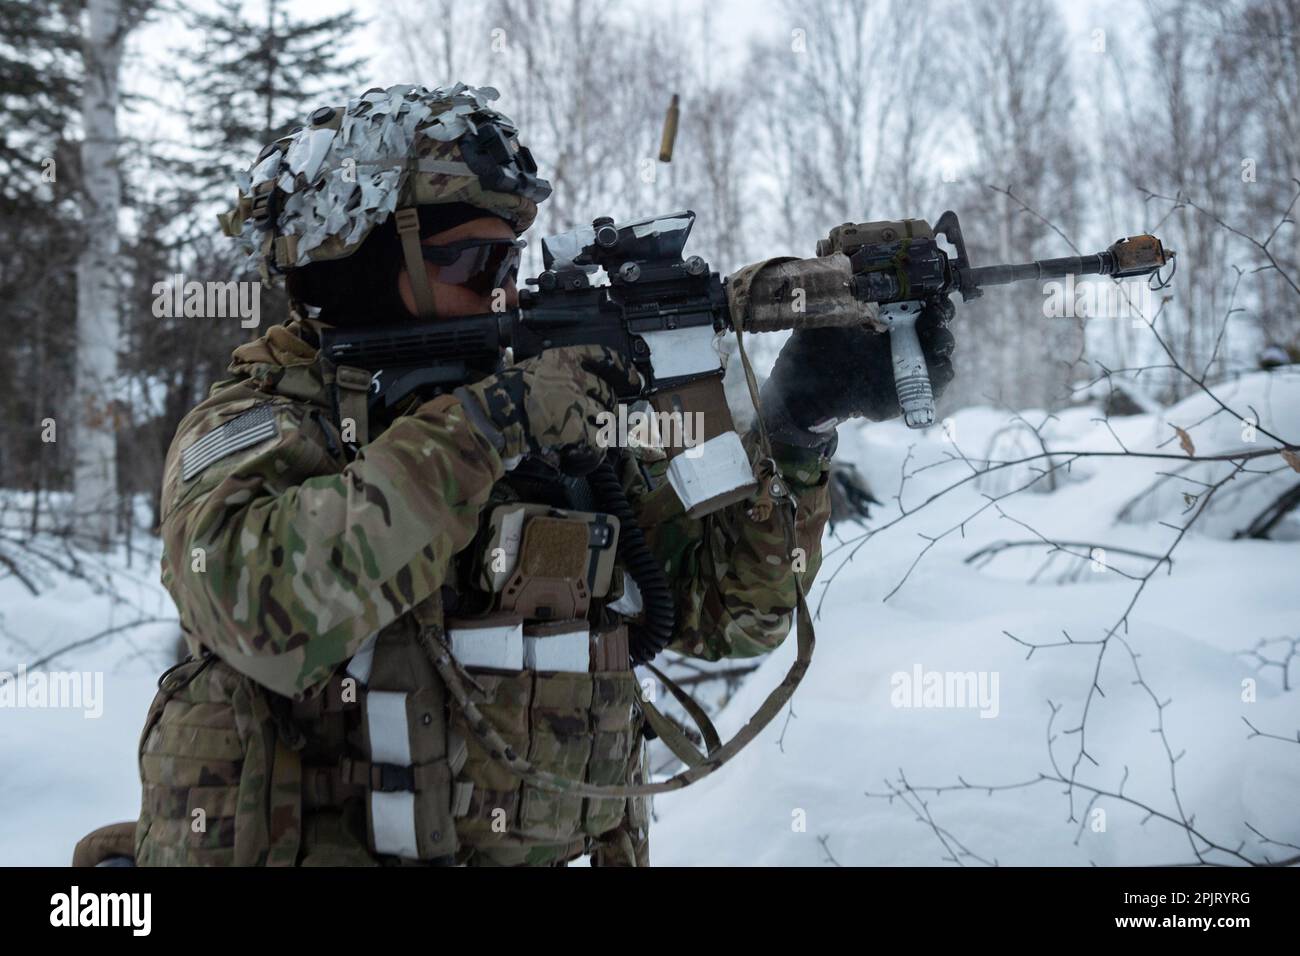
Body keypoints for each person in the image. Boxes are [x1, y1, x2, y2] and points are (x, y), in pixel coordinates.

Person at [125, 83, 955, 867]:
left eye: (510, 265)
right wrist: (493, 422)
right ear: (368, 262)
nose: (502, 294)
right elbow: (255, 608)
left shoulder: (553, 427)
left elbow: (729, 617)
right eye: (474, 266)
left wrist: (795, 427)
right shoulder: (264, 423)